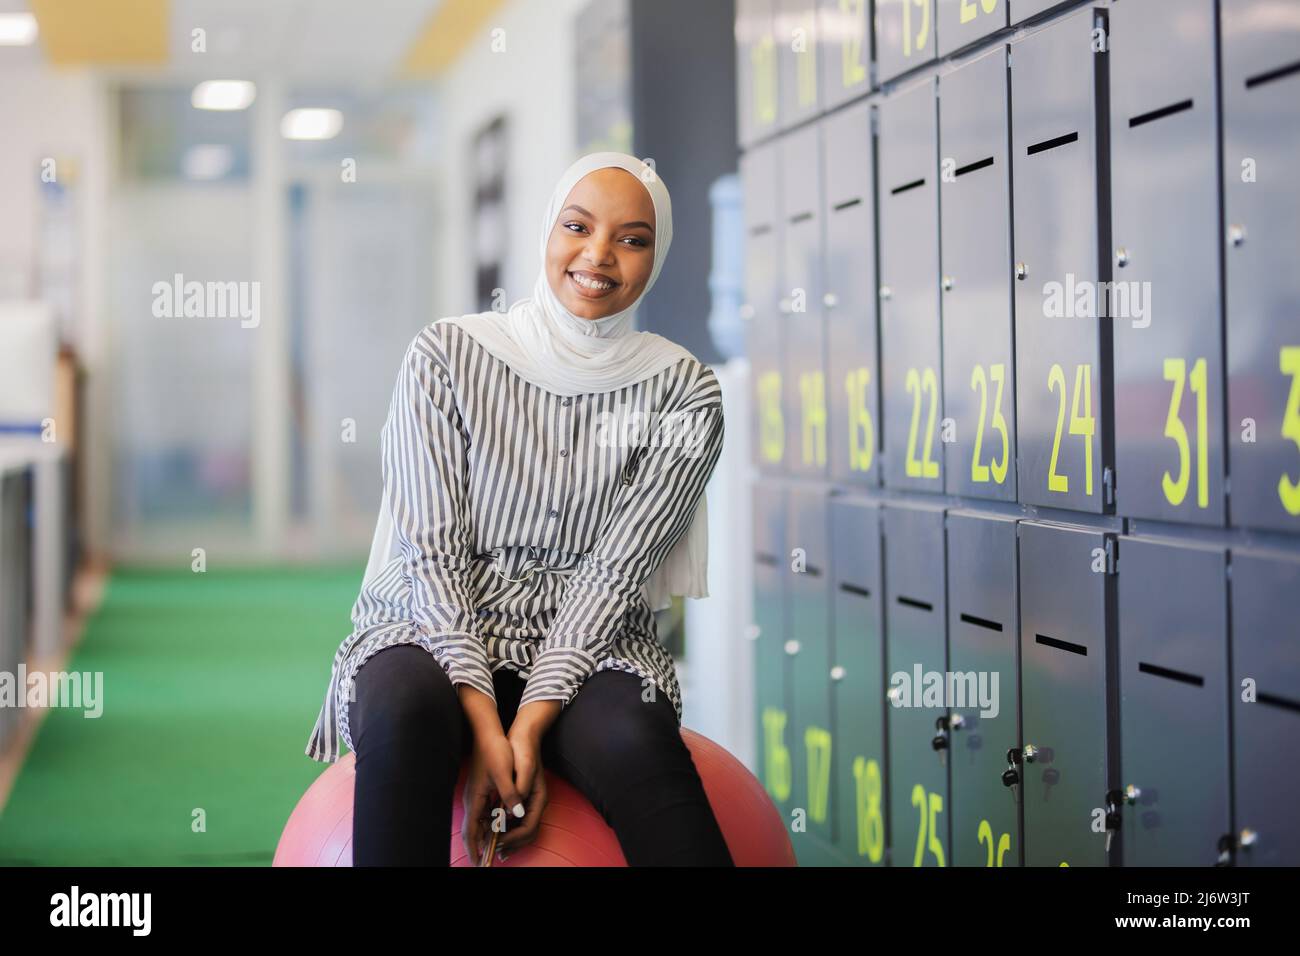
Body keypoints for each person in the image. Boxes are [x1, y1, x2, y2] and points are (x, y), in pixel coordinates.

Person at [303, 151, 735, 867]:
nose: (598, 255)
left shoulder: (683, 391)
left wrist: (528, 725)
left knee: (634, 741)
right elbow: (433, 555)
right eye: (578, 226)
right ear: (547, 231)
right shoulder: (445, 355)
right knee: (405, 715)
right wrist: (482, 720)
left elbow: (614, 575)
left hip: (593, 643)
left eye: (632, 239)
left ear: (655, 258)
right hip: (430, 629)